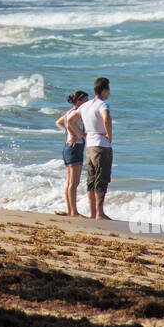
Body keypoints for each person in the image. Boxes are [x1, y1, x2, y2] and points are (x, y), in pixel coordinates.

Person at [65, 77, 114, 220]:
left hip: (90, 145)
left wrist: (83, 135)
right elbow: (107, 118)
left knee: (91, 179)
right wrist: (109, 134)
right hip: (102, 145)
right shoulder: (102, 104)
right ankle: (100, 213)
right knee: (102, 178)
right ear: (105, 90)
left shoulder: (85, 106)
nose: (109, 93)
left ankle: (93, 213)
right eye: (108, 90)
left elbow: (70, 121)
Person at [54, 91, 89, 217]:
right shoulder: (77, 112)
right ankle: (74, 212)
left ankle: (71, 210)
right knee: (74, 183)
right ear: (79, 101)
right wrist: (76, 135)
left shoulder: (69, 112)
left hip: (68, 147)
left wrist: (67, 133)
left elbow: (58, 122)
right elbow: (70, 124)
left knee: (70, 182)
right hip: (75, 147)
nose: (88, 102)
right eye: (86, 100)